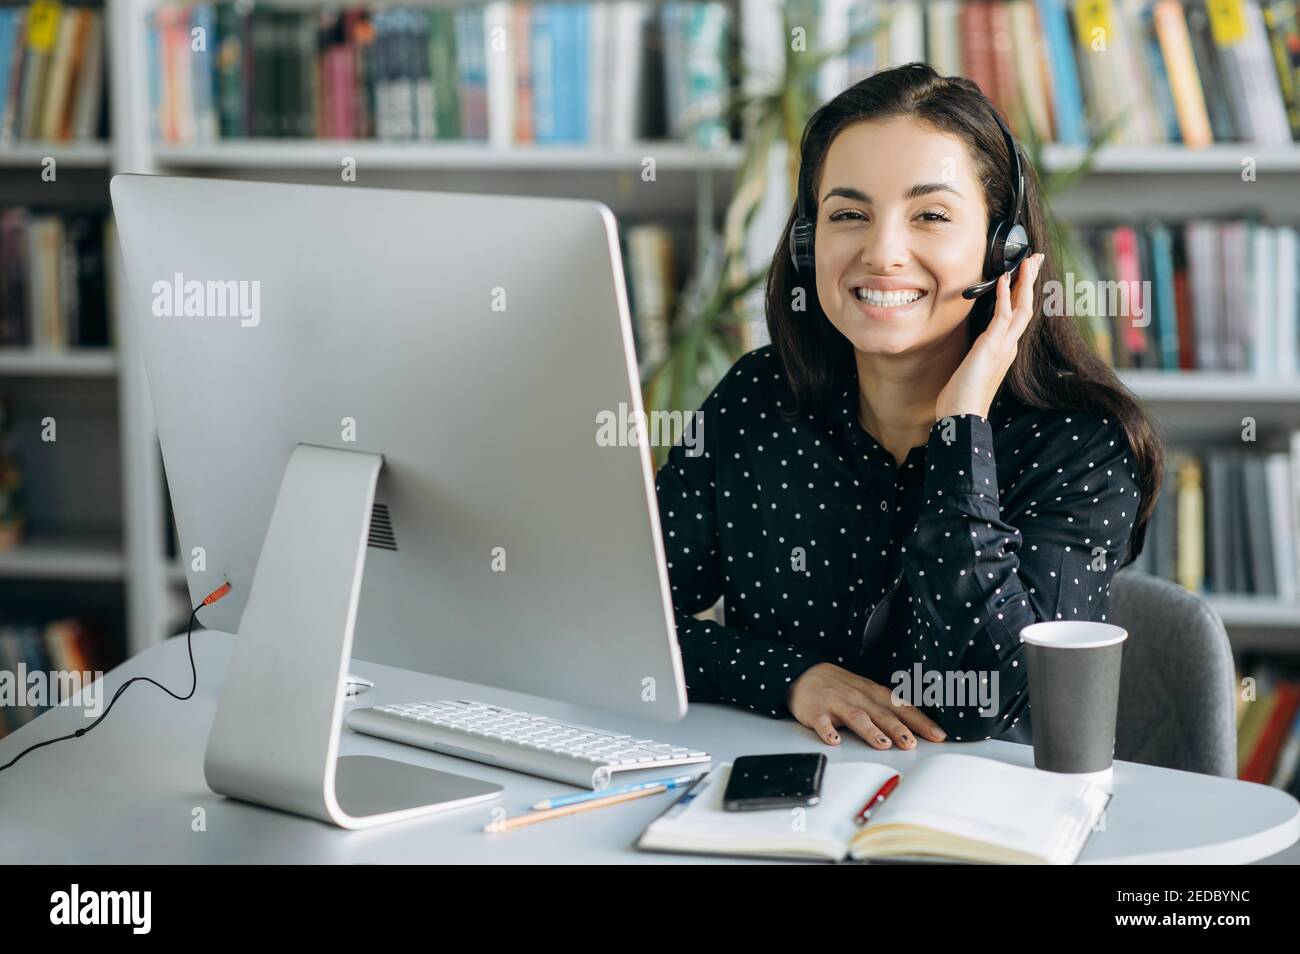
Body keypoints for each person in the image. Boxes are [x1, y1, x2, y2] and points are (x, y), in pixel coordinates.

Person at [653, 63, 1163, 750]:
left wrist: (961, 434)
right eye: (848, 215)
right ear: (809, 242)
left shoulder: (1081, 447)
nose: (882, 252)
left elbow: (992, 696)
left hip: (975, 828)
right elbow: (625, 622)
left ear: (1002, 248)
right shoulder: (758, 399)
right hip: (778, 813)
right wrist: (793, 679)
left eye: (930, 215)